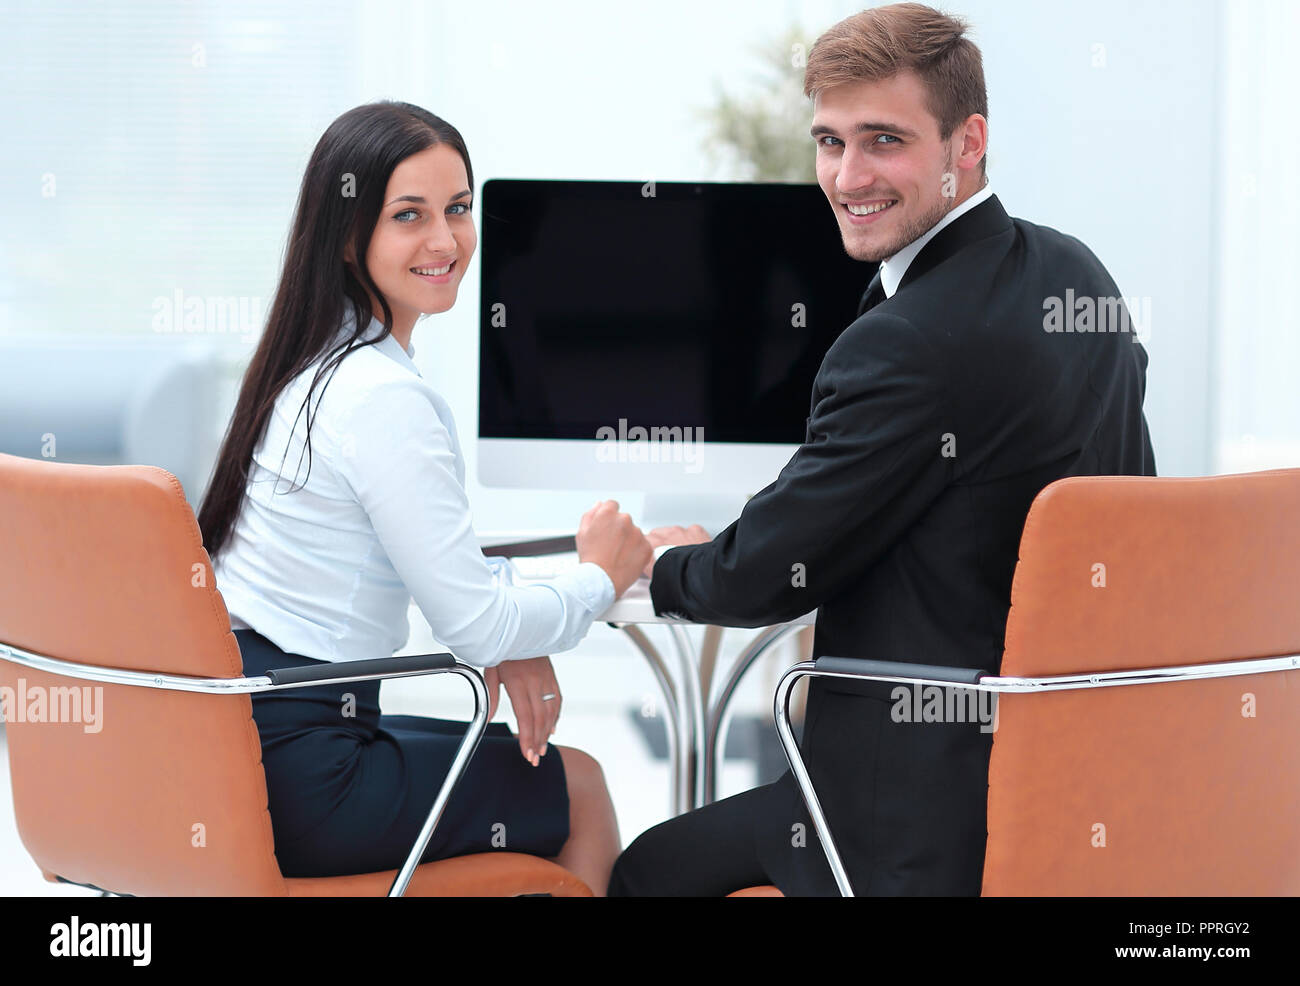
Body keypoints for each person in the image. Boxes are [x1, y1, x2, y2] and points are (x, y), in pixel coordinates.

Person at [609, 2, 1156, 896]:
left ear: (966, 143)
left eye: (883, 140)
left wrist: (661, 569)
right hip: (1065, 788)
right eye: (829, 141)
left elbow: (764, 577)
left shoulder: (906, 341)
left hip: (896, 819)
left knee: (645, 870)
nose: (847, 175)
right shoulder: (1078, 276)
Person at [197, 101, 651, 896]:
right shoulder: (380, 397)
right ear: (347, 235)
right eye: (409, 216)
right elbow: (472, 623)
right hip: (311, 770)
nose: (445, 241)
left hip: (239, 747)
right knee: (577, 786)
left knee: (531, 775)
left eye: (459, 209)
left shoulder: (307, 369)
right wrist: (599, 581)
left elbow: (423, 560)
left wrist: (518, 625)